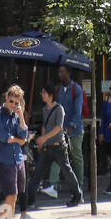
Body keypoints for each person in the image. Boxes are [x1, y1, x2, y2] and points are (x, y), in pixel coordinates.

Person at [27, 82, 82, 209]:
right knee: (37, 173)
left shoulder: (59, 109)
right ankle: (30, 199)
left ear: (50, 95)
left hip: (58, 147)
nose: (42, 95)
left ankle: (77, 195)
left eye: (44, 92)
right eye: (41, 92)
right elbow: (44, 126)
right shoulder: (44, 109)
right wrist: (42, 141)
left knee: (67, 171)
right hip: (47, 147)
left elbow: (58, 127)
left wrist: (44, 138)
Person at [0, 84, 29, 219]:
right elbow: (3, 137)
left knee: (14, 197)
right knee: (10, 196)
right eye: (11, 101)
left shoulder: (15, 116)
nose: (13, 104)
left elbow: (23, 135)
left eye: (16, 103)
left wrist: (21, 114)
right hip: (5, 161)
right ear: (6, 98)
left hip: (18, 159)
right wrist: (18, 140)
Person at [47, 64, 84, 198]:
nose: (59, 74)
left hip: (75, 130)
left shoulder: (76, 89)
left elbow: (78, 110)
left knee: (76, 157)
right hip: (61, 129)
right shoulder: (58, 89)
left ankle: (79, 185)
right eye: (58, 72)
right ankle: (52, 184)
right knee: (59, 156)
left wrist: (71, 126)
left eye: (62, 72)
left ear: (68, 73)